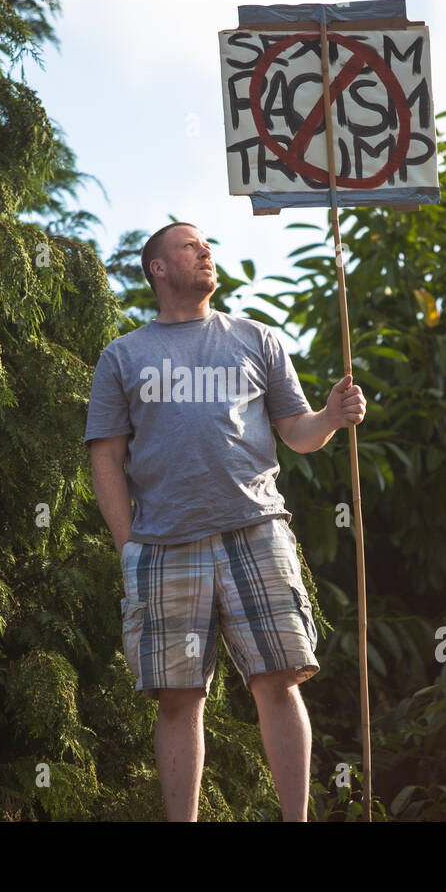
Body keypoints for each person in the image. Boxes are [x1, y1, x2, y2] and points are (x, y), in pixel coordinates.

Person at [83, 221, 366, 822]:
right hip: (163, 545)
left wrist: (332, 416)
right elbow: (105, 455)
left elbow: (297, 434)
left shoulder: (256, 338)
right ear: (158, 268)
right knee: (179, 698)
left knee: (279, 678)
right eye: (189, 245)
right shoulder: (123, 354)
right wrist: (127, 544)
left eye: (206, 243)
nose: (205, 250)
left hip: (256, 529)